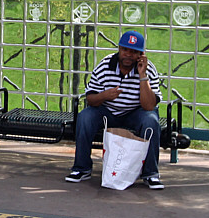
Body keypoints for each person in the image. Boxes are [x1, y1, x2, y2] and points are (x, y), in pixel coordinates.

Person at [66, 30, 165, 189]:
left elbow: (149, 106)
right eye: (125, 50)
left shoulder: (148, 69)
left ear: (141, 54)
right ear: (119, 49)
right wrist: (104, 95)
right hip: (108, 112)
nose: (128, 55)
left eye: (133, 52)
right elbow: (90, 99)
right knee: (85, 117)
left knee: (151, 121)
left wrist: (142, 75)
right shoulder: (105, 65)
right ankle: (82, 168)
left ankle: (150, 174)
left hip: (136, 112)